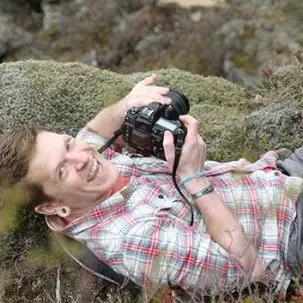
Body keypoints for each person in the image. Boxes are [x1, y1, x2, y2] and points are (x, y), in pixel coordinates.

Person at [0, 74, 302, 296]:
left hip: (276, 174)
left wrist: (126, 104)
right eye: (62, 171)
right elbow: (249, 271)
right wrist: (194, 180)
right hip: (288, 234)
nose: (80, 156)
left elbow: (92, 132)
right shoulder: (132, 239)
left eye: (67, 143)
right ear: (52, 205)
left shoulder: (86, 173)